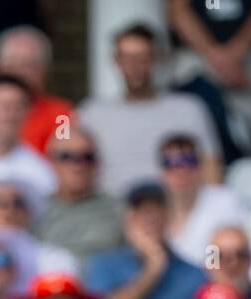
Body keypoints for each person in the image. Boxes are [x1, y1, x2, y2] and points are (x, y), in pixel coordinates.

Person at [77, 23, 221, 197]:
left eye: (142, 57)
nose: (135, 66)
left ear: (156, 59)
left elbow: (211, 169)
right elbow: (68, 161)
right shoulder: (91, 113)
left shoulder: (188, 108)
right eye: (127, 58)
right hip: (108, 212)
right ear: (116, 60)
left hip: (174, 209)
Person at [84, 181, 206, 299]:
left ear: (169, 216)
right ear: (129, 219)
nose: (150, 218)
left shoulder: (193, 274)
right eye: (142, 211)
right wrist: (152, 270)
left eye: (157, 210)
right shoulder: (104, 265)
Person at [167, 0, 251, 155]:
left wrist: (238, 51)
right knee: (197, 135)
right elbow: (178, 10)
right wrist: (217, 58)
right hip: (197, 58)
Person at [0, 25, 72, 156]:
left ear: (45, 71)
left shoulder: (61, 115)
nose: (20, 73)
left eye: (29, 66)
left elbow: (64, 160)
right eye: (13, 64)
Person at [33, 127, 121, 268]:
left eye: (87, 157)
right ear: (51, 162)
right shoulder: (33, 209)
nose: (78, 165)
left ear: (98, 163)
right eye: (66, 157)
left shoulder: (120, 209)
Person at [159, 131, 246, 268]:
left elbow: (226, 254)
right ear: (162, 171)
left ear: (201, 166)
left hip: (210, 282)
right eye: (171, 163)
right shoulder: (154, 206)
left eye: (189, 161)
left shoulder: (222, 200)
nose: (181, 170)